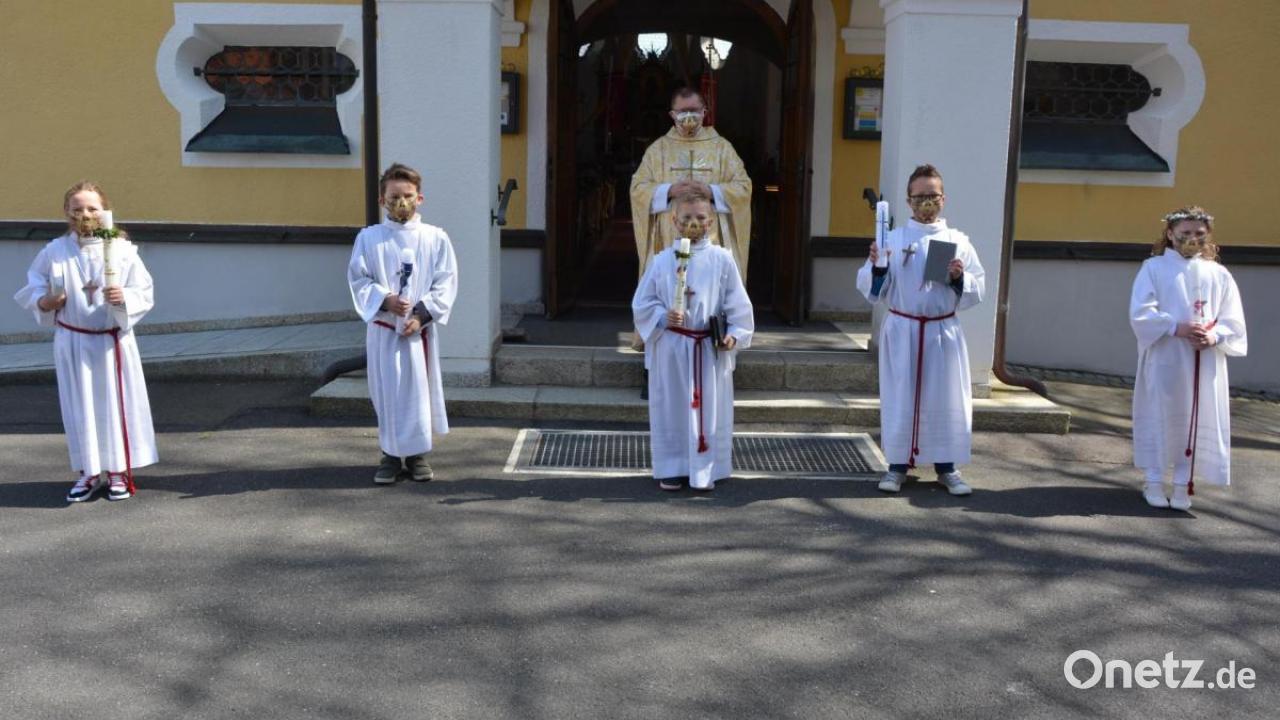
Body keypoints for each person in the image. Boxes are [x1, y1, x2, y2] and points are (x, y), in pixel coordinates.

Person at [13, 181, 157, 502]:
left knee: (114, 406)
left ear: (104, 211)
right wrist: (46, 301)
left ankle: (118, 470)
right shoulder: (54, 251)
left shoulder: (121, 250)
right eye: (77, 209)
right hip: (73, 343)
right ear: (66, 212)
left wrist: (124, 297)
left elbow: (144, 291)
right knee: (80, 408)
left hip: (111, 343)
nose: (84, 215)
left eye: (92, 208)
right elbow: (33, 286)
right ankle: (88, 471)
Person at [855, 164, 985, 496]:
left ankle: (947, 468)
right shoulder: (893, 241)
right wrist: (878, 265)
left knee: (944, 398)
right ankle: (897, 467)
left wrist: (958, 278)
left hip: (942, 331)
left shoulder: (958, 241)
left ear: (944, 199)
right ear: (909, 201)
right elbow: (873, 290)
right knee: (902, 396)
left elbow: (977, 289)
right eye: (920, 197)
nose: (926, 203)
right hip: (904, 329)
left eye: (933, 196)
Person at [632, 183, 754, 492]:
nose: (693, 224)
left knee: (707, 411)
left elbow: (737, 304)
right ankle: (672, 467)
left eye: (700, 217)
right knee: (672, 407)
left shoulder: (722, 260)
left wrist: (734, 335)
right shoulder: (660, 262)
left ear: (711, 222)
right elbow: (641, 303)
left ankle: (706, 469)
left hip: (707, 348)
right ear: (673, 221)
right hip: (672, 347)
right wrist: (662, 316)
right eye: (686, 218)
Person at [347, 163, 458, 485]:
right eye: (394, 196)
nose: (402, 203)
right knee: (388, 392)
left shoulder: (435, 238)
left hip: (417, 333)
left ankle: (418, 455)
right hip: (384, 331)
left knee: (417, 393)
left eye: (408, 196)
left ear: (420, 198)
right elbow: (358, 279)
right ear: (382, 199)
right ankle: (391, 456)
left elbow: (445, 281)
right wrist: (385, 300)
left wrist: (421, 315)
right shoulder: (369, 239)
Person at [1130, 206, 1247, 511]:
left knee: (1196, 417)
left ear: (1207, 235)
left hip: (1203, 358)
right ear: (1170, 233)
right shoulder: (1153, 268)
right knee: (1160, 413)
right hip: (1165, 354)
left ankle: (1183, 484)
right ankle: (1154, 481)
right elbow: (1141, 312)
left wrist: (1215, 336)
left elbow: (1233, 318)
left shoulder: (1218, 273)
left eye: (1198, 233)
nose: (1192, 238)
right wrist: (1175, 326)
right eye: (1185, 233)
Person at [629, 87, 752, 279]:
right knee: (672, 290)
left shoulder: (722, 148)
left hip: (711, 236)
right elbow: (637, 189)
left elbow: (744, 187)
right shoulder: (658, 149)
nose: (689, 116)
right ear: (672, 114)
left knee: (708, 291)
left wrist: (712, 192)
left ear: (704, 111)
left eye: (694, 110)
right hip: (669, 237)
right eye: (682, 111)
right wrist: (668, 190)